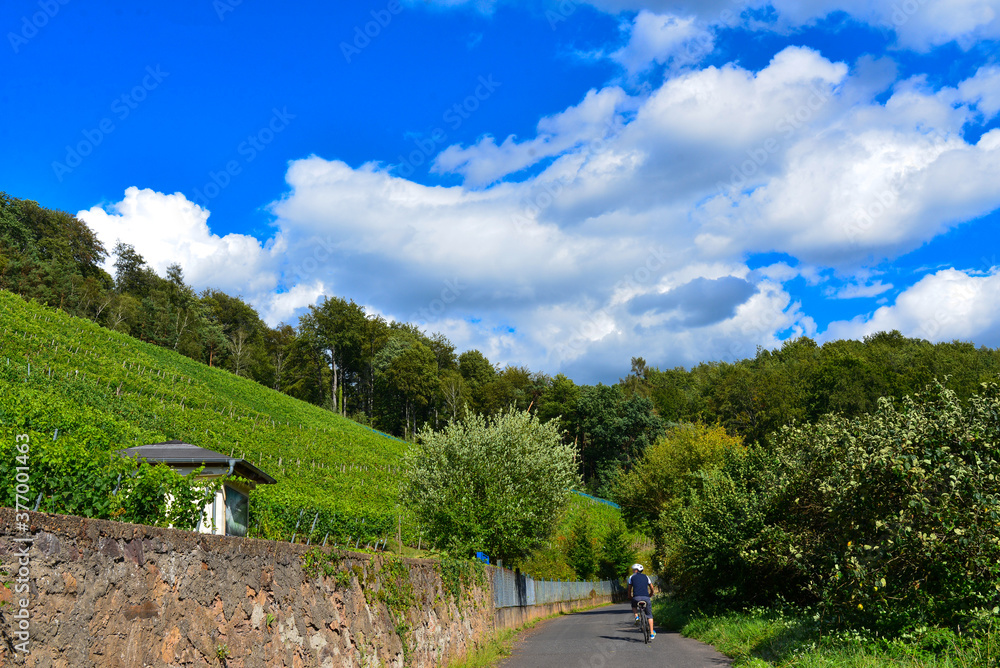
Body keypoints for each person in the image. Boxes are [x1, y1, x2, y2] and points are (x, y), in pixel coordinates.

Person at [626, 563, 655, 640]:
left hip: (636, 598)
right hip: (646, 598)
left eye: (633, 570)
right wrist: (651, 594)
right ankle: (652, 633)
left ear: (636, 570)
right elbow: (652, 587)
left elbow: (629, 589)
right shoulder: (646, 577)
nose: (632, 571)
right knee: (649, 615)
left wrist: (629, 596)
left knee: (633, 604)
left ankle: (636, 617)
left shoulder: (631, 577)